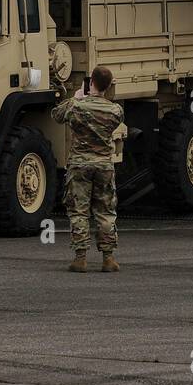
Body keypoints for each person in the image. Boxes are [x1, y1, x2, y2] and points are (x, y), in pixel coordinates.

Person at [50, 65, 125, 273]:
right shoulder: (116, 110)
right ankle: (108, 258)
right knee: (106, 211)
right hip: (104, 165)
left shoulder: (76, 106)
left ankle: (80, 257)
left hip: (80, 165)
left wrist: (78, 98)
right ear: (108, 86)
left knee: (79, 211)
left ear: (90, 82)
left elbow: (56, 115)